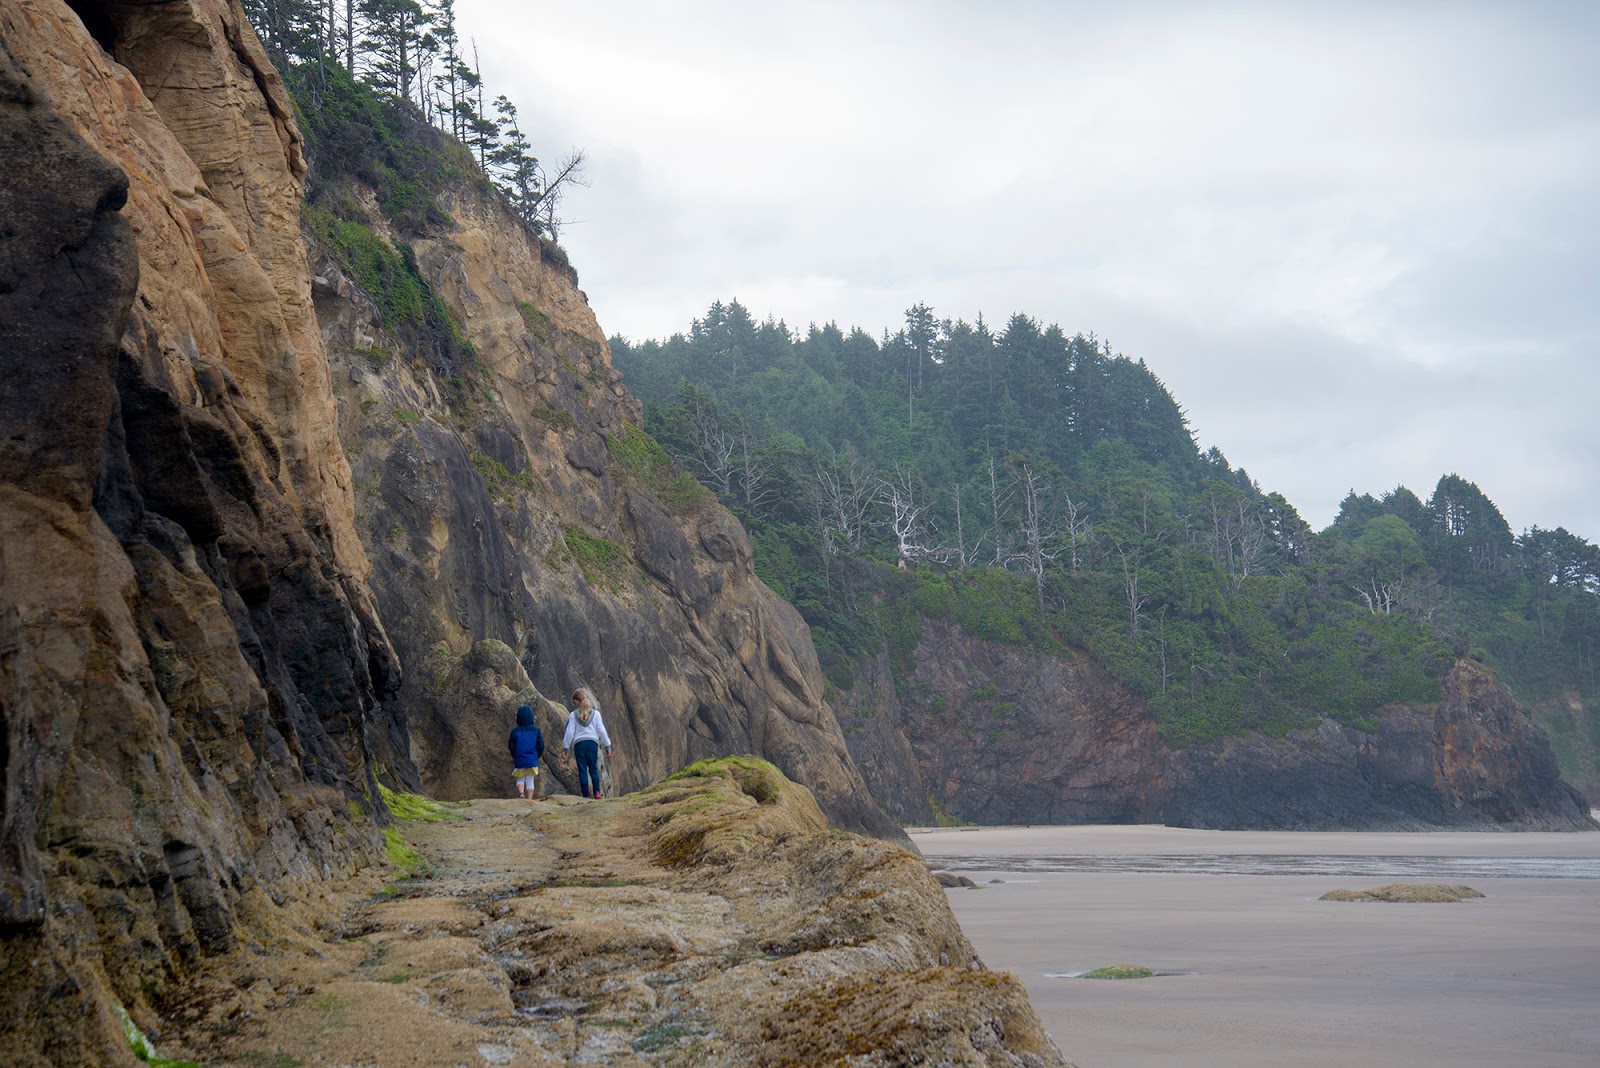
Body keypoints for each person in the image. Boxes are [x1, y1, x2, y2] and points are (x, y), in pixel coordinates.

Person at [562, 687, 611, 799]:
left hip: (579, 746)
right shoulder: (596, 715)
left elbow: (568, 733)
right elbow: (602, 731)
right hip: (592, 744)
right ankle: (597, 793)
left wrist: (565, 748)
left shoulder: (573, 716)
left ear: (577, 702)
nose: (574, 706)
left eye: (574, 703)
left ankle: (586, 795)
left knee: (583, 770)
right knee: (594, 769)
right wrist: (607, 746)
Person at [507, 704, 544, 800]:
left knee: (520, 778)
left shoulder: (515, 731)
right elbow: (541, 745)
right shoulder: (536, 730)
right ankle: (530, 798)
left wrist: (515, 754)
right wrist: (536, 755)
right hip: (532, 760)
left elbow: (511, 745)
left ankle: (521, 793)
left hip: (519, 759)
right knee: (530, 779)